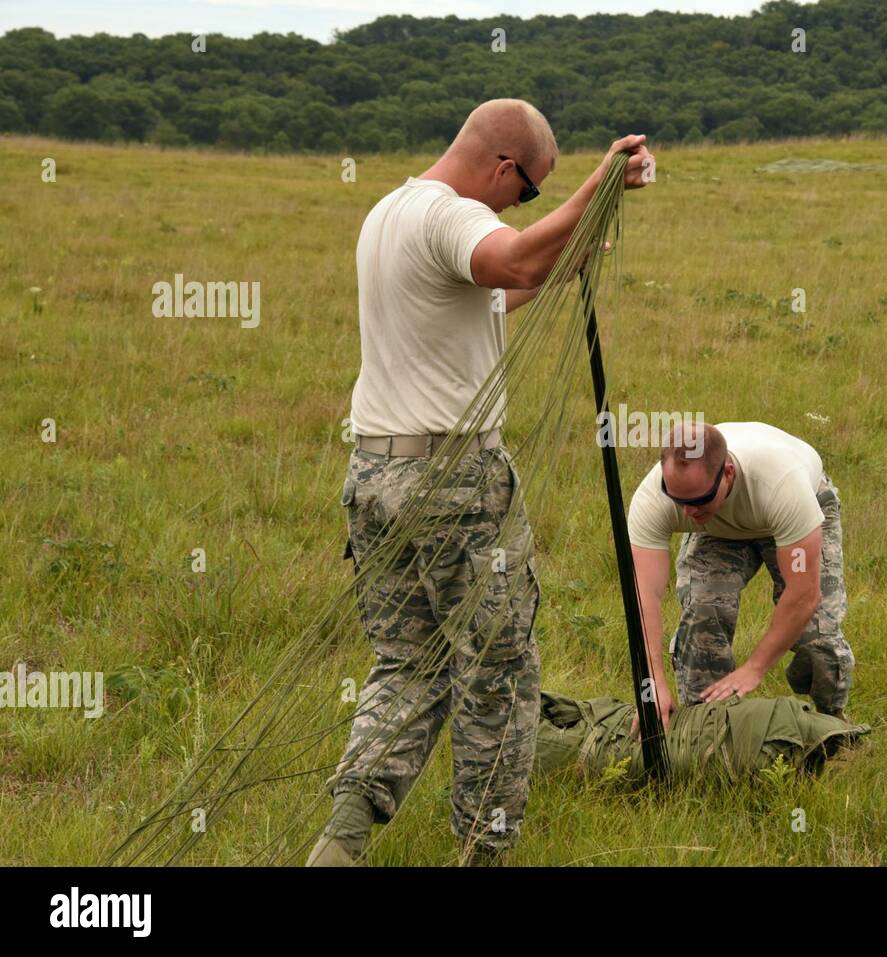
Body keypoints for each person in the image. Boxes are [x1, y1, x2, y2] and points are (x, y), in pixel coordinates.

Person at [308, 99, 653, 866]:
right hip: (453, 481)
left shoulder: (390, 212)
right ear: (503, 167)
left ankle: (342, 840)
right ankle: (484, 852)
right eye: (526, 191)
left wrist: (572, 246)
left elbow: (499, 290)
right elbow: (516, 258)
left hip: (373, 474)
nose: (520, 204)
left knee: (406, 665)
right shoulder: (447, 215)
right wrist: (599, 185)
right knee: (496, 672)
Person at [627, 421, 855, 730]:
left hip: (795, 518)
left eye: (698, 499)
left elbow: (804, 594)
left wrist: (755, 668)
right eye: (679, 500)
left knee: (818, 635)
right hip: (719, 529)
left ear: (728, 474)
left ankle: (831, 725)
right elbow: (644, 596)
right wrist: (652, 682)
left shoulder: (782, 486)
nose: (687, 512)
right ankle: (703, 728)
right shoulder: (655, 500)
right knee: (704, 609)